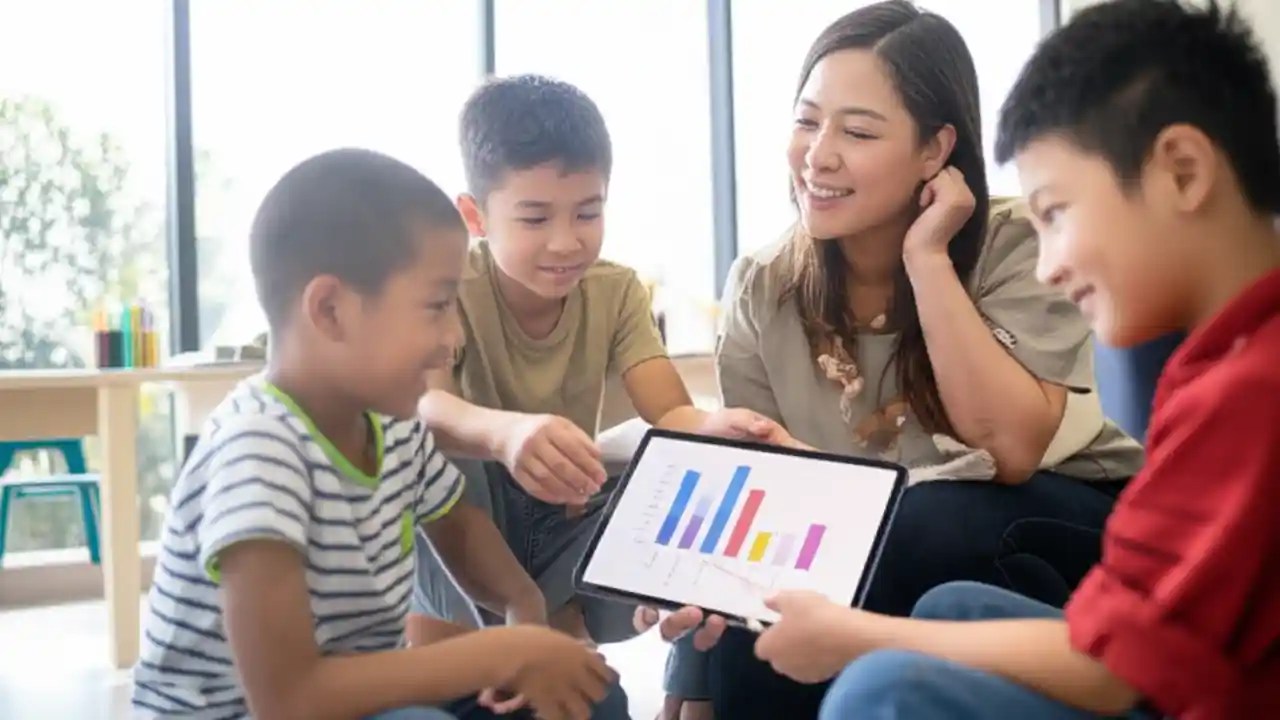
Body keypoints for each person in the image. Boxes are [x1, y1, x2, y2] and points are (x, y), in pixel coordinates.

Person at [755, 1, 1280, 718]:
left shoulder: (1252, 389)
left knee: (885, 685)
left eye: (1057, 213)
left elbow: (1111, 670)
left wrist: (853, 638)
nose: (1052, 266)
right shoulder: (1223, 366)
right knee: (952, 609)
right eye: (809, 121)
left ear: (1182, 173)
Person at [639, 2, 1145, 718]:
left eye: (858, 131)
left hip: (1056, 530)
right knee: (768, 596)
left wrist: (927, 257)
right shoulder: (762, 286)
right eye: (808, 121)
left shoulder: (1017, 245)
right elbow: (756, 502)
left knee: (910, 526)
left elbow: (1010, 449)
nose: (819, 155)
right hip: (882, 546)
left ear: (936, 150)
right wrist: (689, 676)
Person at [131, 148, 623, 720]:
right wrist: (500, 652)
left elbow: (458, 524)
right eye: (437, 306)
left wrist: (523, 610)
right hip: (261, 710)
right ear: (332, 310)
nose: (452, 336)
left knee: (592, 698)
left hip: (357, 696)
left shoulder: (395, 426)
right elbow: (289, 699)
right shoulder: (259, 452)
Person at [408, 76, 794, 655]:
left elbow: (669, 412)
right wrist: (506, 433)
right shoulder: (447, 285)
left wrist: (716, 427)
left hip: (564, 510)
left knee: (683, 484)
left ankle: (560, 638)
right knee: (427, 453)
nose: (565, 243)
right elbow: (424, 406)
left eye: (587, 213)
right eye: (535, 219)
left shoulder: (615, 291)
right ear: (475, 216)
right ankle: (486, 644)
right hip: (472, 518)